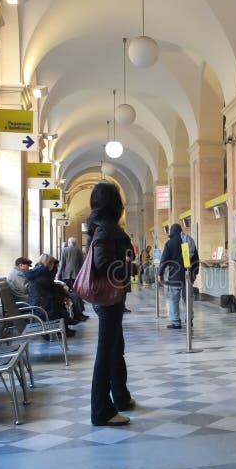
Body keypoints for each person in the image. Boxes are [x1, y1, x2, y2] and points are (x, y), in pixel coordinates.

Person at [86, 181, 134, 426]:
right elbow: (103, 264)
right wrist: (128, 267)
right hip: (109, 299)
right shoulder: (105, 229)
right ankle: (101, 410)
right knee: (106, 352)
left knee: (115, 348)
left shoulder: (101, 227)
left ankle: (121, 396)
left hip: (108, 298)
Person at [158, 223, 199, 329]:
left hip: (175, 277)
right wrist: (194, 273)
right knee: (188, 299)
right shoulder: (189, 241)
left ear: (171, 232)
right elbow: (196, 259)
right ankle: (189, 319)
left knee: (174, 299)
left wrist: (160, 273)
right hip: (188, 276)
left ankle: (176, 322)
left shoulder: (170, 243)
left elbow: (164, 260)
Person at [25, 254, 77, 337]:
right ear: (49, 263)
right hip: (41, 303)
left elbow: (50, 286)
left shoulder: (38, 271)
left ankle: (65, 326)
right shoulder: (42, 273)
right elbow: (52, 286)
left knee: (60, 299)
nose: (54, 266)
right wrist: (63, 291)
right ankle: (63, 327)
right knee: (59, 302)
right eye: (52, 264)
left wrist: (63, 292)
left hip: (39, 300)